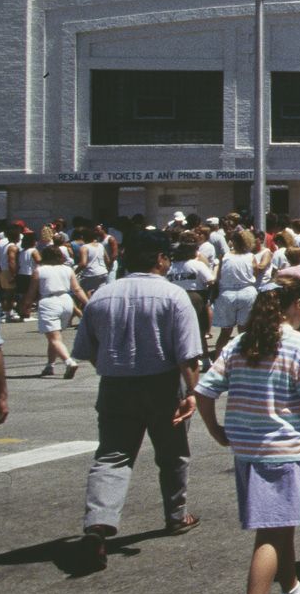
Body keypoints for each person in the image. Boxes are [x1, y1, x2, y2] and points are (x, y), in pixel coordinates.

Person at [194, 277, 300, 594]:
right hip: (285, 449)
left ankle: (291, 592)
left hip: (247, 448)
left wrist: (218, 431)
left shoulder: (241, 342)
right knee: (270, 533)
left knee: (279, 524)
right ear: (299, 304)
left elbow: (204, 391)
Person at [73, 228, 203, 571]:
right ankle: (176, 515)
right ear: (161, 260)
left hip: (115, 385)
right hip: (163, 384)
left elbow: (87, 350)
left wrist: (113, 367)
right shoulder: (175, 296)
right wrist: (192, 392)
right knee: (173, 453)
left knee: (112, 457)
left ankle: (97, 528)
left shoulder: (101, 296)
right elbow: (188, 355)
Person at [25, 241, 87, 378]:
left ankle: (69, 362)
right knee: (55, 336)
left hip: (49, 302)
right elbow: (77, 289)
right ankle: (50, 365)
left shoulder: (40, 270)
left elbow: (31, 292)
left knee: (54, 338)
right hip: (66, 301)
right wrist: (87, 303)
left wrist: (26, 306)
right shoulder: (67, 269)